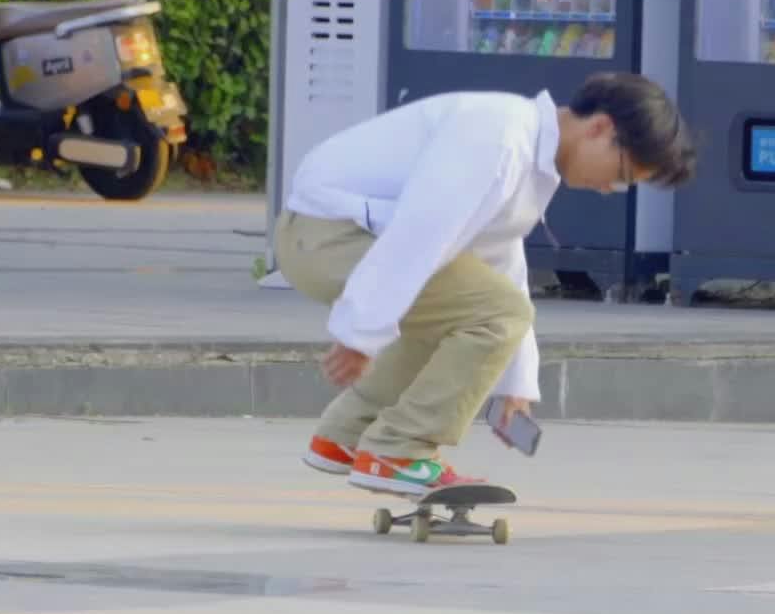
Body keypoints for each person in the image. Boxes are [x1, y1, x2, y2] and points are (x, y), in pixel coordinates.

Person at [273, 72, 696, 496]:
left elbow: (500, 268)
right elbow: (417, 234)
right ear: (600, 128)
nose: (608, 189)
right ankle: (400, 451)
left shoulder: (527, 156)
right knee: (494, 313)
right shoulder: (499, 138)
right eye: (621, 175)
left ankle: (345, 435)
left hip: (335, 236)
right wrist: (359, 333)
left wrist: (515, 386)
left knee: (470, 311)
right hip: (329, 234)